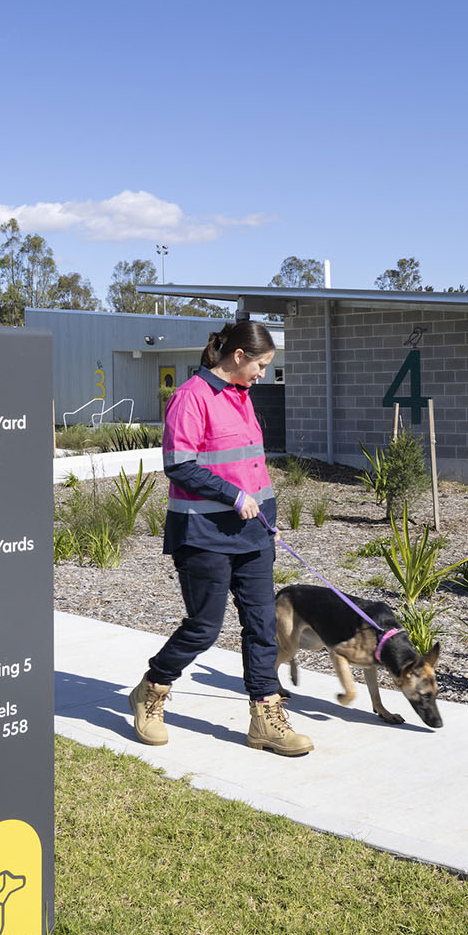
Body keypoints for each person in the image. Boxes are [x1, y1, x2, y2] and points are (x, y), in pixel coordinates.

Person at [128, 319, 313, 756]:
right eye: (262, 365)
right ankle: (151, 690)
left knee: (263, 626)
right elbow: (179, 465)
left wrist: (268, 516)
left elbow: (251, 467)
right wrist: (232, 496)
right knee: (204, 628)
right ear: (239, 356)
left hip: (252, 534)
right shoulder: (190, 398)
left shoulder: (242, 397)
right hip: (203, 534)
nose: (263, 374)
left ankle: (265, 717)